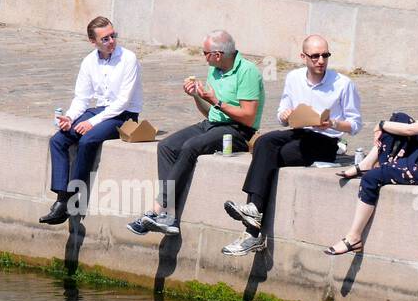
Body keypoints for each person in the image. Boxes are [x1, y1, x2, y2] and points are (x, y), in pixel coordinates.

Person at [221, 34, 361, 257]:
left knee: (274, 155)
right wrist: (285, 115)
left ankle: (252, 232)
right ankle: (254, 214)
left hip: (326, 140)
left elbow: (355, 124)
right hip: (298, 131)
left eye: (325, 55)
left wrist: (332, 123)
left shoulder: (343, 84)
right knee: (264, 142)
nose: (321, 61)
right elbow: (282, 114)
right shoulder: (294, 78)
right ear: (303, 57)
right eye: (315, 56)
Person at [326, 64, 418, 256]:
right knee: (400, 118)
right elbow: (413, 127)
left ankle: (353, 238)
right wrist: (388, 126)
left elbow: (412, 131)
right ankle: (366, 164)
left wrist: (381, 124)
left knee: (372, 179)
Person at [126, 30, 263, 238]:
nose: (203, 56)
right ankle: (169, 216)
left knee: (191, 146)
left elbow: (248, 117)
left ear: (218, 54)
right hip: (212, 123)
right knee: (167, 146)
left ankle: (157, 210)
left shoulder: (247, 72)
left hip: (237, 130)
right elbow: (210, 112)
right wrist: (197, 97)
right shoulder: (215, 70)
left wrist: (216, 101)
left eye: (205, 53)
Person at [39, 17, 143, 225]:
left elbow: (122, 102)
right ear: (92, 41)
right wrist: (69, 117)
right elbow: (82, 98)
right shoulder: (89, 61)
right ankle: (61, 198)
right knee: (58, 140)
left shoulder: (128, 59)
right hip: (100, 111)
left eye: (113, 36)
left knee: (88, 140)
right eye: (105, 39)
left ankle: (73, 195)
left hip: (124, 115)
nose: (112, 41)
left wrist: (91, 123)